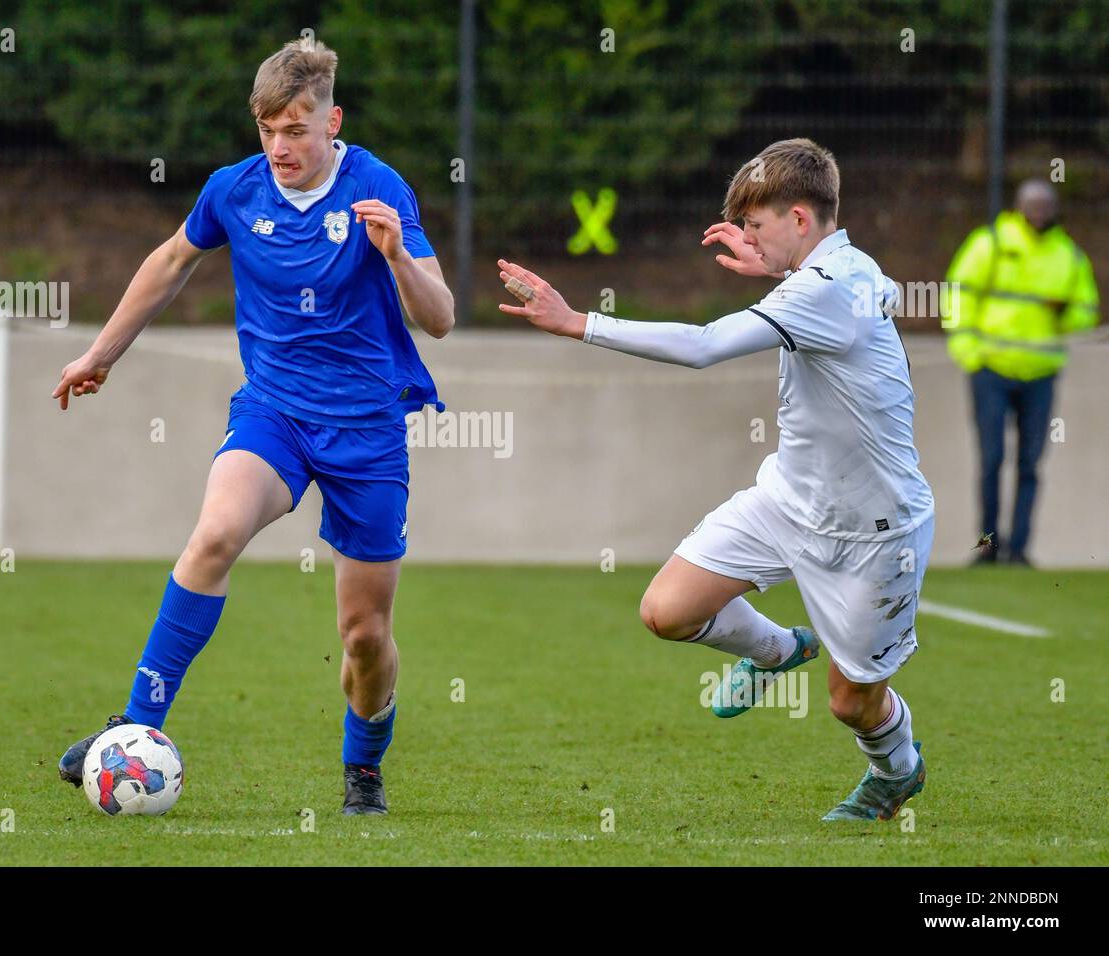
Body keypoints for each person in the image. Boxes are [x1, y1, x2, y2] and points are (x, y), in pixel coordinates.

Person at [51, 37, 454, 815]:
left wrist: (400, 256)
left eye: (295, 130)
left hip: (367, 429)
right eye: (267, 130)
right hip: (273, 410)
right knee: (213, 536)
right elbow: (171, 261)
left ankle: (363, 764)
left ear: (331, 121)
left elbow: (437, 319)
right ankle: (135, 725)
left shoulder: (379, 188)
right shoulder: (234, 191)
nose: (279, 147)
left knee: (365, 636)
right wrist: (100, 355)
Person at [497, 138, 934, 822]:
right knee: (667, 611)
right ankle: (777, 649)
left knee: (852, 702)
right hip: (789, 500)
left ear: (798, 219)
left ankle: (896, 772)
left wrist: (579, 322)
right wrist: (775, 270)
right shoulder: (847, 269)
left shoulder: (828, 287)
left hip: (874, 530)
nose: (749, 239)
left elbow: (704, 347)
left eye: (758, 226)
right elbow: (822, 304)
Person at [942, 179, 1099, 566]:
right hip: (991, 370)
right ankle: (987, 546)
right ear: (1018, 206)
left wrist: (1066, 313)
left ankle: (1020, 549)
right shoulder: (990, 243)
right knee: (992, 458)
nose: (1040, 212)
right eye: (1033, 205)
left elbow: (1087, 311)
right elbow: (957, 292)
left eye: (1046, 205)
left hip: (1040, 374)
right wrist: (968, 352)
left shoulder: (1068, 254)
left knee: (1030, 463)